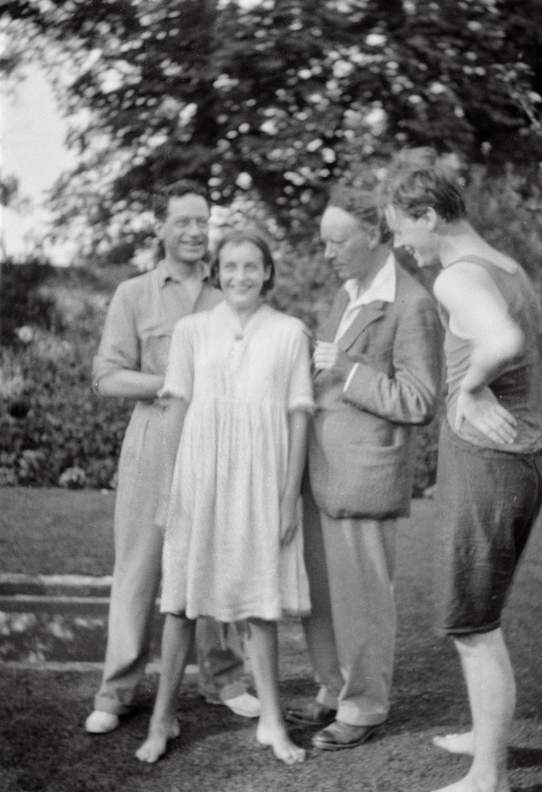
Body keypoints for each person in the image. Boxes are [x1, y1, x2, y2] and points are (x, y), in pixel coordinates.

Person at [381, 155, 542, 792]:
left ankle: (489, 777)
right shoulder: (505, 266)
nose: (400, 243)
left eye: (403, 229)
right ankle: (486, 735)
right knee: (481, 616)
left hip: (489, 465)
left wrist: (473, 389)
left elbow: (503, 341)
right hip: (518, 463)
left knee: (474, 626)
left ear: (429, 216)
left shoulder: (457, 278)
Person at [85, 181, 260, 735]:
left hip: (219, 451)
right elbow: (107, 376)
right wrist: (168, 381)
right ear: (159, 226)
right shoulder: (134, 294)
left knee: (215, 564)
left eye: (201, 221)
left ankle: (225, 680)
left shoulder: (229, 290)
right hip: (154, 446)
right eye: (182, 221)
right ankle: (116, 692)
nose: (193, 232)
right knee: (138, 570)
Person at [135, 229, 314, 765]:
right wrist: (169, 490)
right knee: (182, 604)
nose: (240, 276)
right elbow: (176, 411)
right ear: (217, 271)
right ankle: (162, 719)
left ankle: (273, 722)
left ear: (267, 274)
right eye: (230, 266)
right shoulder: (191, 331)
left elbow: (299, 417)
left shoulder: (290, 333)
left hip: (261, 482)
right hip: (200, 479)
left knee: (261, 607)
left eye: (251, 267)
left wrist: (287, 500)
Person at [286, 185, 443, 750]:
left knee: (364, 600)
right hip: (319, 467)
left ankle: (366, 706)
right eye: (324, 241)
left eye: (337, 241)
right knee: (321, 595)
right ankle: (333, 690)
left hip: (365, 474)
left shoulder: (414, 303)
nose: (327, 253)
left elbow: (420, 400)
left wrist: (347, 370)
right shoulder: (346, 292)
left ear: (376, 235)